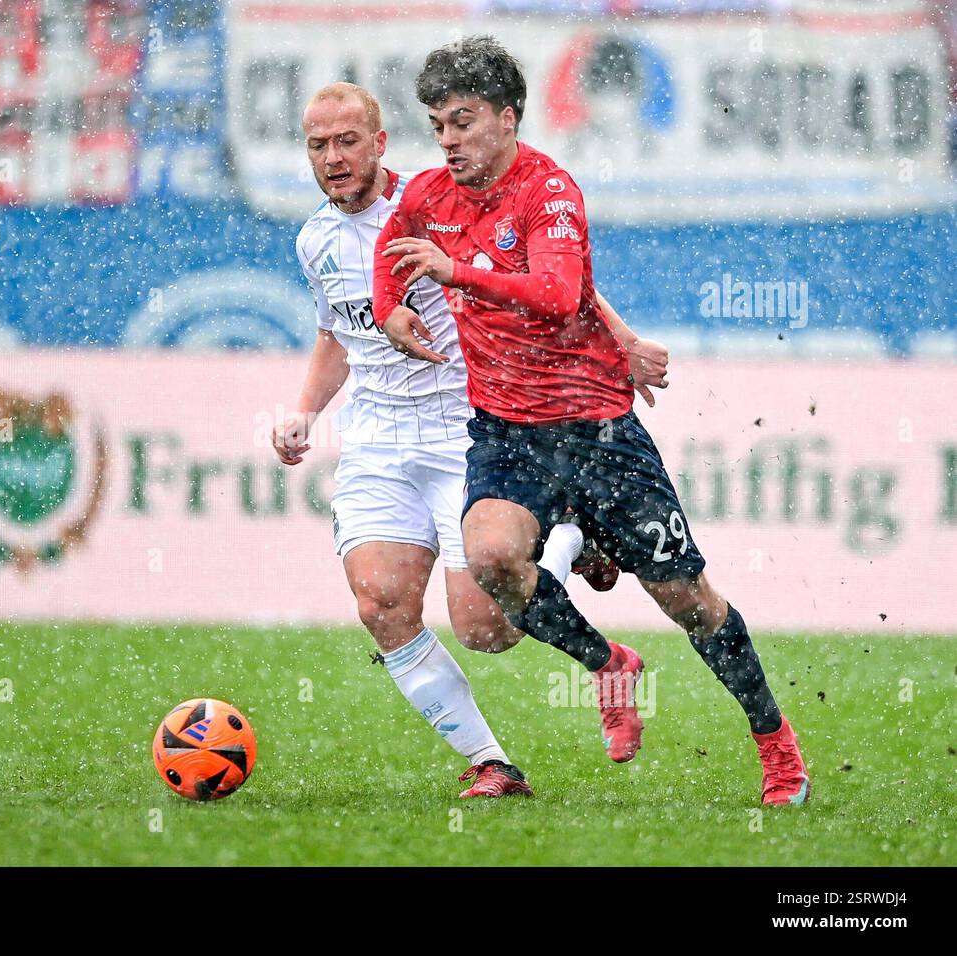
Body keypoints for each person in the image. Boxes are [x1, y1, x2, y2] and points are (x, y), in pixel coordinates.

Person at [373, 38, 810, 806]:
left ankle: (776, 744)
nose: (447, 140)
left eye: (462, 122)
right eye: (438, 125)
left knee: (689, 602)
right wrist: (390, 310)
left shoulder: (549, 191)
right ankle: (609, 665)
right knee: (492, 559)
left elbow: (555, 292)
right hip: (506, 432)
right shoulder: (431, 196)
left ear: (507, 118)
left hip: (597, 431)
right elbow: (390, 249)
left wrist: (455, 272)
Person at [273, 81, 668, 798]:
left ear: (380, 142)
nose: (333, 158)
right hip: (377, 442)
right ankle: (493, 764)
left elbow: (559, 281)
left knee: (487, 629)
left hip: (467, 428)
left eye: (348, 141)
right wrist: (303, 410)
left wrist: (624, 343)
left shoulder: (435, 203)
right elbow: (337, 335)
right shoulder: (314, 240)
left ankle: (571, 533)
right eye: (318, 145)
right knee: (381, 605)